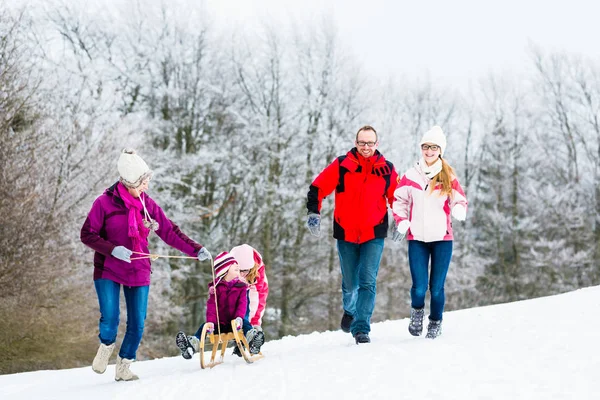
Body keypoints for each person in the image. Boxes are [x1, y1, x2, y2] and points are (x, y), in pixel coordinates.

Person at [81, 148, 211, 381]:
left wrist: (196, 249)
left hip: (137, 268)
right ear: (128, 181)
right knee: (110, 319)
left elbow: (169, 231)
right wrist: (113, 249)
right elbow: (87, 234)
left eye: (147, 181)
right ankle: (106, 345)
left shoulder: (146, 204)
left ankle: (124, 366)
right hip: (108, 268)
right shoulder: (103, 204)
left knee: (137, 323)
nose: (146, 186)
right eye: (142, 182)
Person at [306, 125, 399, 344]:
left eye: (370, 143)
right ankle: (349, 310)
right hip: (346, 232)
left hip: (373, 233)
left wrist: (401, 221)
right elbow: (318, 187)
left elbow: (397, 198)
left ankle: (361, 328)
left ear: (377, 144)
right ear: (356, 143)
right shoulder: (342, 165)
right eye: (362, 143)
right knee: (350, 284)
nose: (366, 147)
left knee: (368, 282)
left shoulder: (387, 168)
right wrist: (314, 212)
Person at [391, 125, 468, 339]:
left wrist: (459, 208)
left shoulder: (448, 176)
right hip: (417, 238)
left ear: (440, 150)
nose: (429, 151)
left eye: (434, 147)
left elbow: (459, 198)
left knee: (436, 288)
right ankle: (417, 313)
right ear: (421, 148)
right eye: (426, 146)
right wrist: (402, 220)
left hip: (442, 239)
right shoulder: (410, 176)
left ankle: (435, 321)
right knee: (418, 287)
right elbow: (399, 201)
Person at [175, 251, 263, 358]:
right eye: (234, 266)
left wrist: (239, 318)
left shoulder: (241, 287)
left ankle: (253, 340)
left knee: (246, 324)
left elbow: (242, 304)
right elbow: (211, 308)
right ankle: (191, 345)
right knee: (204, 326)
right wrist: (211, 322)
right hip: (219, 325)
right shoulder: (216, 289)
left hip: (236, 323)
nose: (237, 266)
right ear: (224, 271)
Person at [230, 244, 268, 356]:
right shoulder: (229, 270)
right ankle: (239, 341)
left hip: (254, 291)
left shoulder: (257, 274)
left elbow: (258, 299)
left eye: (245, 271)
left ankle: (252, 338)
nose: (242, 273)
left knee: (247, 311)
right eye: (239, 270)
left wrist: (254, 322)